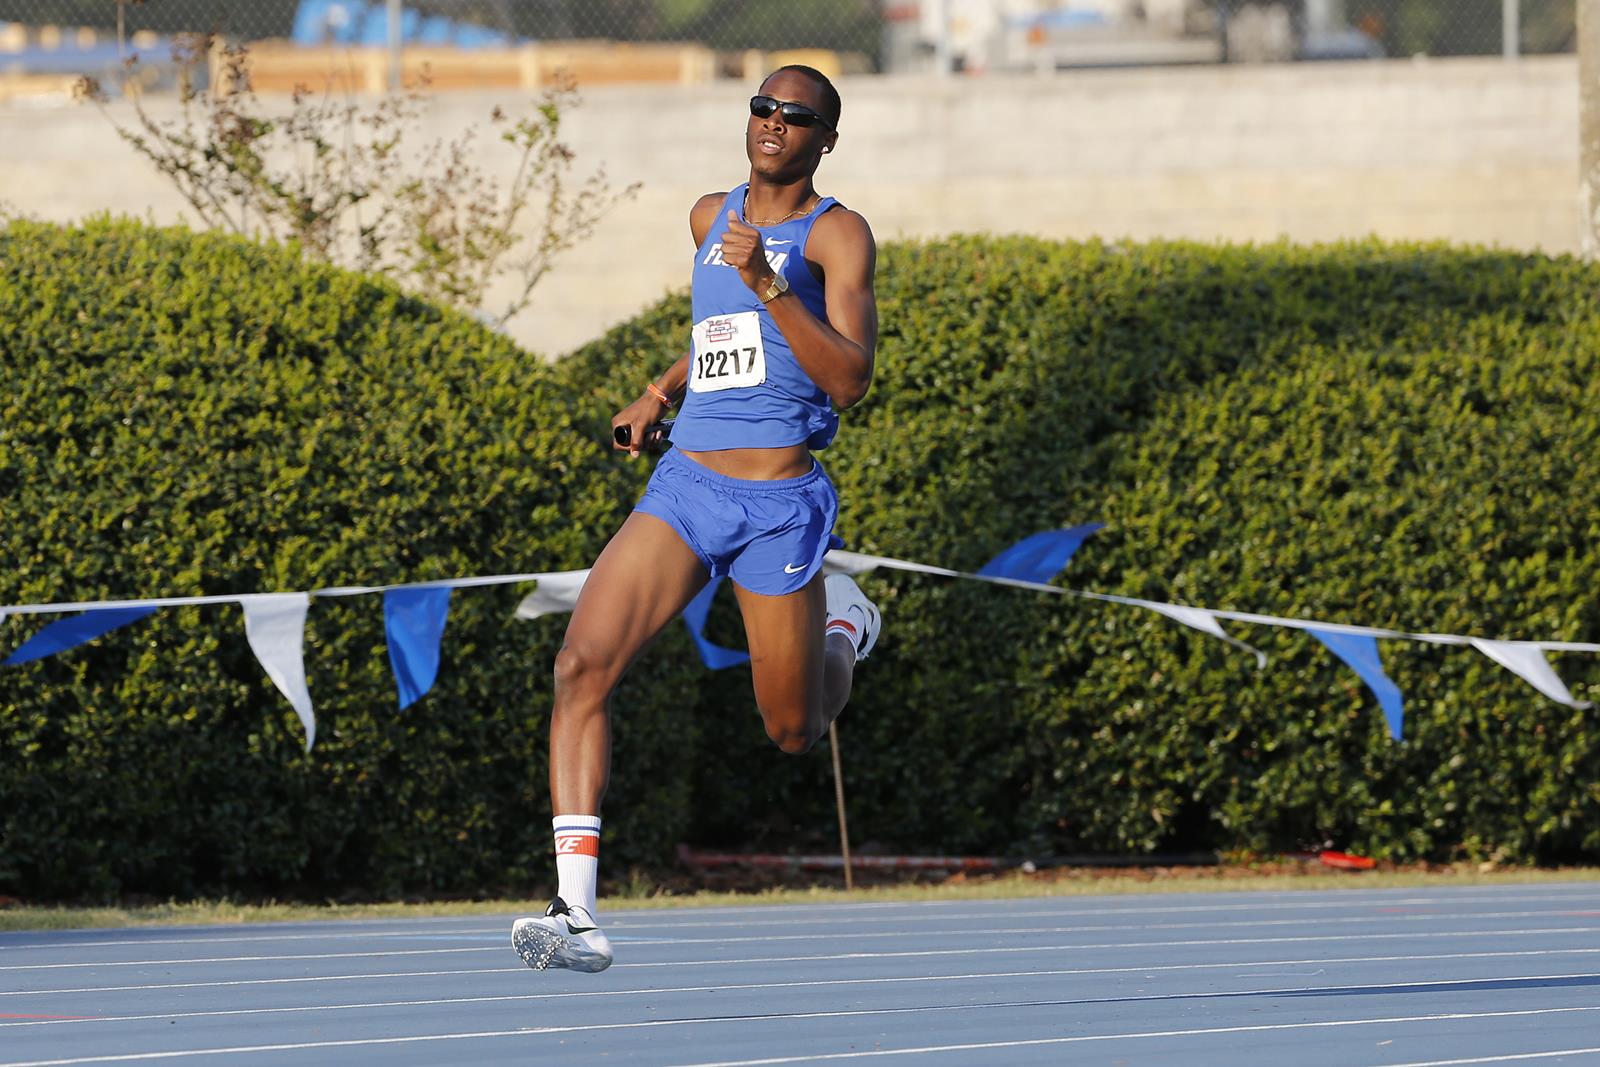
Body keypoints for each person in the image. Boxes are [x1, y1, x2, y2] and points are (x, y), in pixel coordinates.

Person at [511, 64, 883, 973]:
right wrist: (657, 390)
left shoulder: (838, 236)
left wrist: (769, 280)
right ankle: (576, 913)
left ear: (823, 140)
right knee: (580, 664)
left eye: (797, 116)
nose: (773, 122)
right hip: (686, 486)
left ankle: (846, 624)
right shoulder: (706, 215)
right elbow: (716, 330)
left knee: (791, 727)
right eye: (763, 106)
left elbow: (850, 377)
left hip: (780, 504)